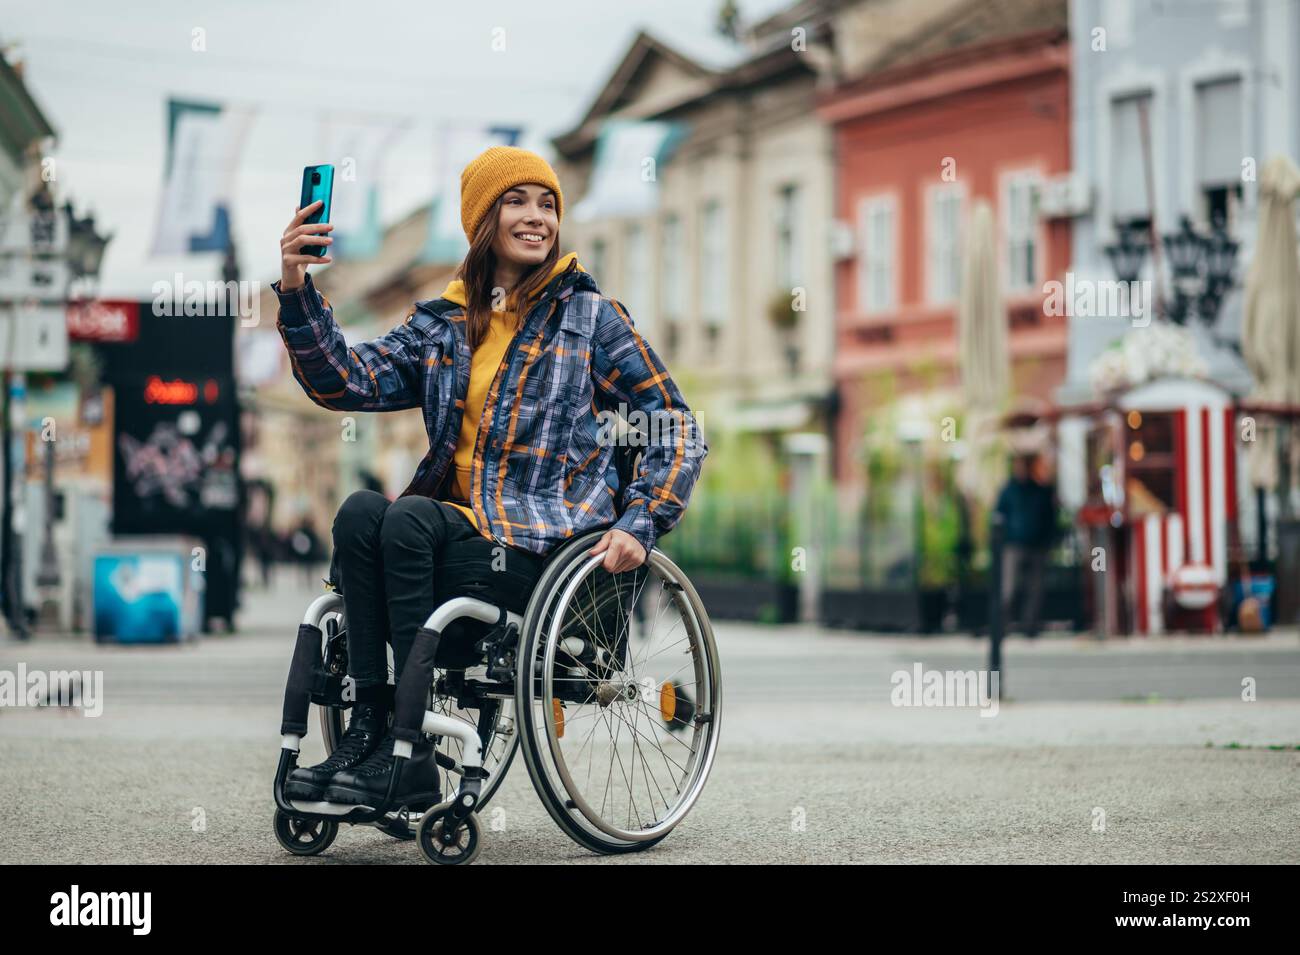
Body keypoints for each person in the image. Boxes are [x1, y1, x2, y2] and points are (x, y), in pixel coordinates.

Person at [273, 146, 707, 808]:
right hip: (449, 539)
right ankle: (368, 736)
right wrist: (299, 286)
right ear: (483, 219)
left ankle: (409, 751)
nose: (537, 217)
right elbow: (344, 380)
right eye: (517, 201)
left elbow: (675, 425)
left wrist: (640, 522)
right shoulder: (444, 323)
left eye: (549, 204)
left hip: (542, 549)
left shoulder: (591, 320)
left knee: (409, 515)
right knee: (362, 511)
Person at [994, 453, 1057, 638]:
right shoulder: (1008, 491)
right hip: (1013, 544)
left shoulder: (1041, 491)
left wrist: (1048, 540)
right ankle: (1002, 626)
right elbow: (999, 515)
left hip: (1037, 545)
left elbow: (1050, 518)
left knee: (1035, 588)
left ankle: (1030, 626)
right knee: (1008, 588)